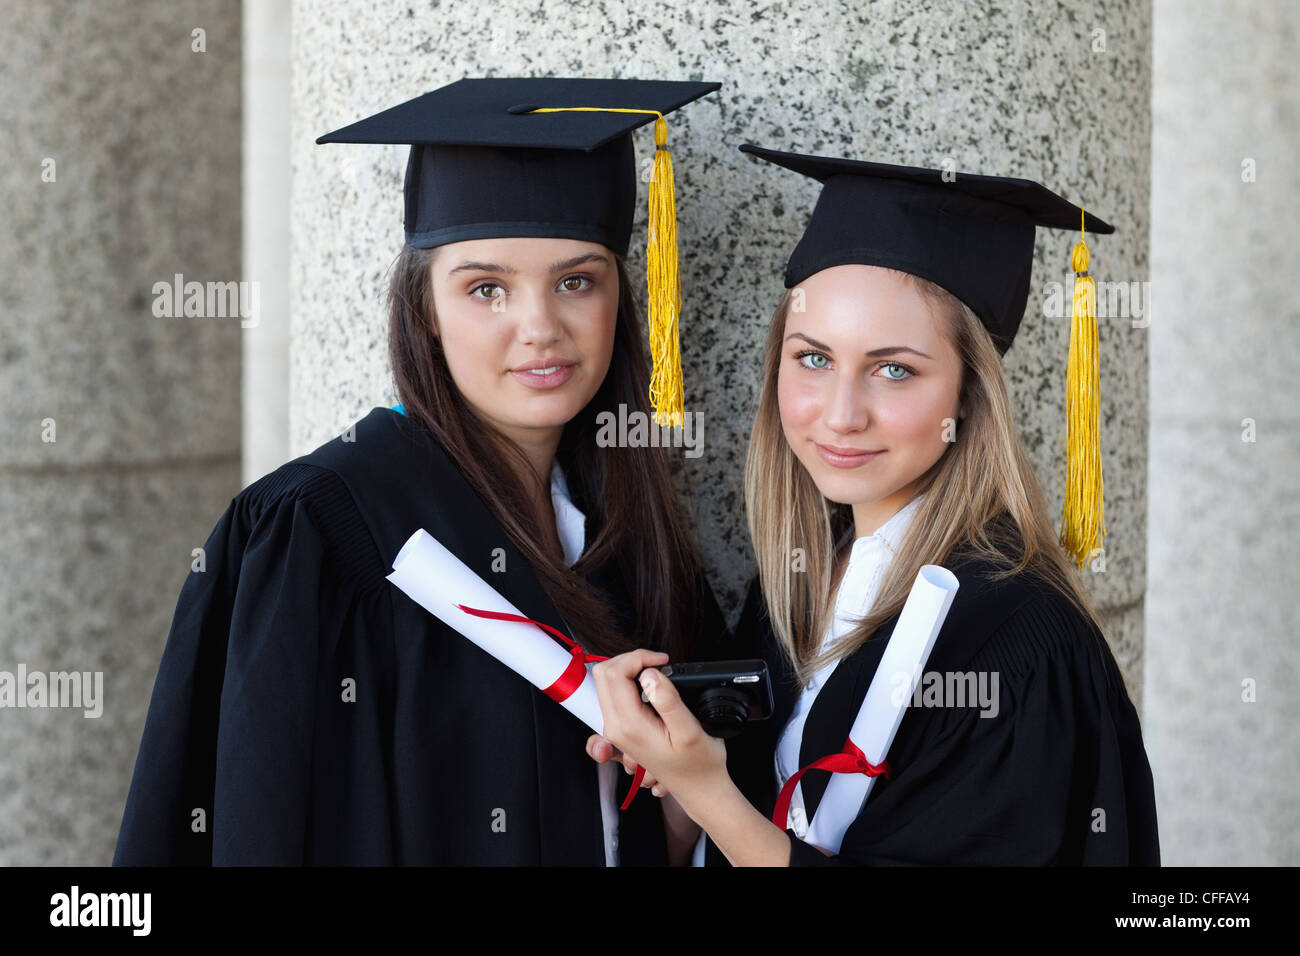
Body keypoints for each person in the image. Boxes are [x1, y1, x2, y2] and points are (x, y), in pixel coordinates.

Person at [112, 77, 725, 866]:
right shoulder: (320, 532)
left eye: (577, 281)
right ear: (424, 312)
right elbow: (259, 826)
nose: (540, 328)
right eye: (486, 289)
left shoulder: (631, 539)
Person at [587, 145, 1161, 866]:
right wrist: (671, 774)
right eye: (813, 359)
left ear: (971, 397)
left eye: (894, 371)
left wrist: (710, 794)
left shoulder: (1018, 643)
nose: (840, 415)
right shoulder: (799, 576)